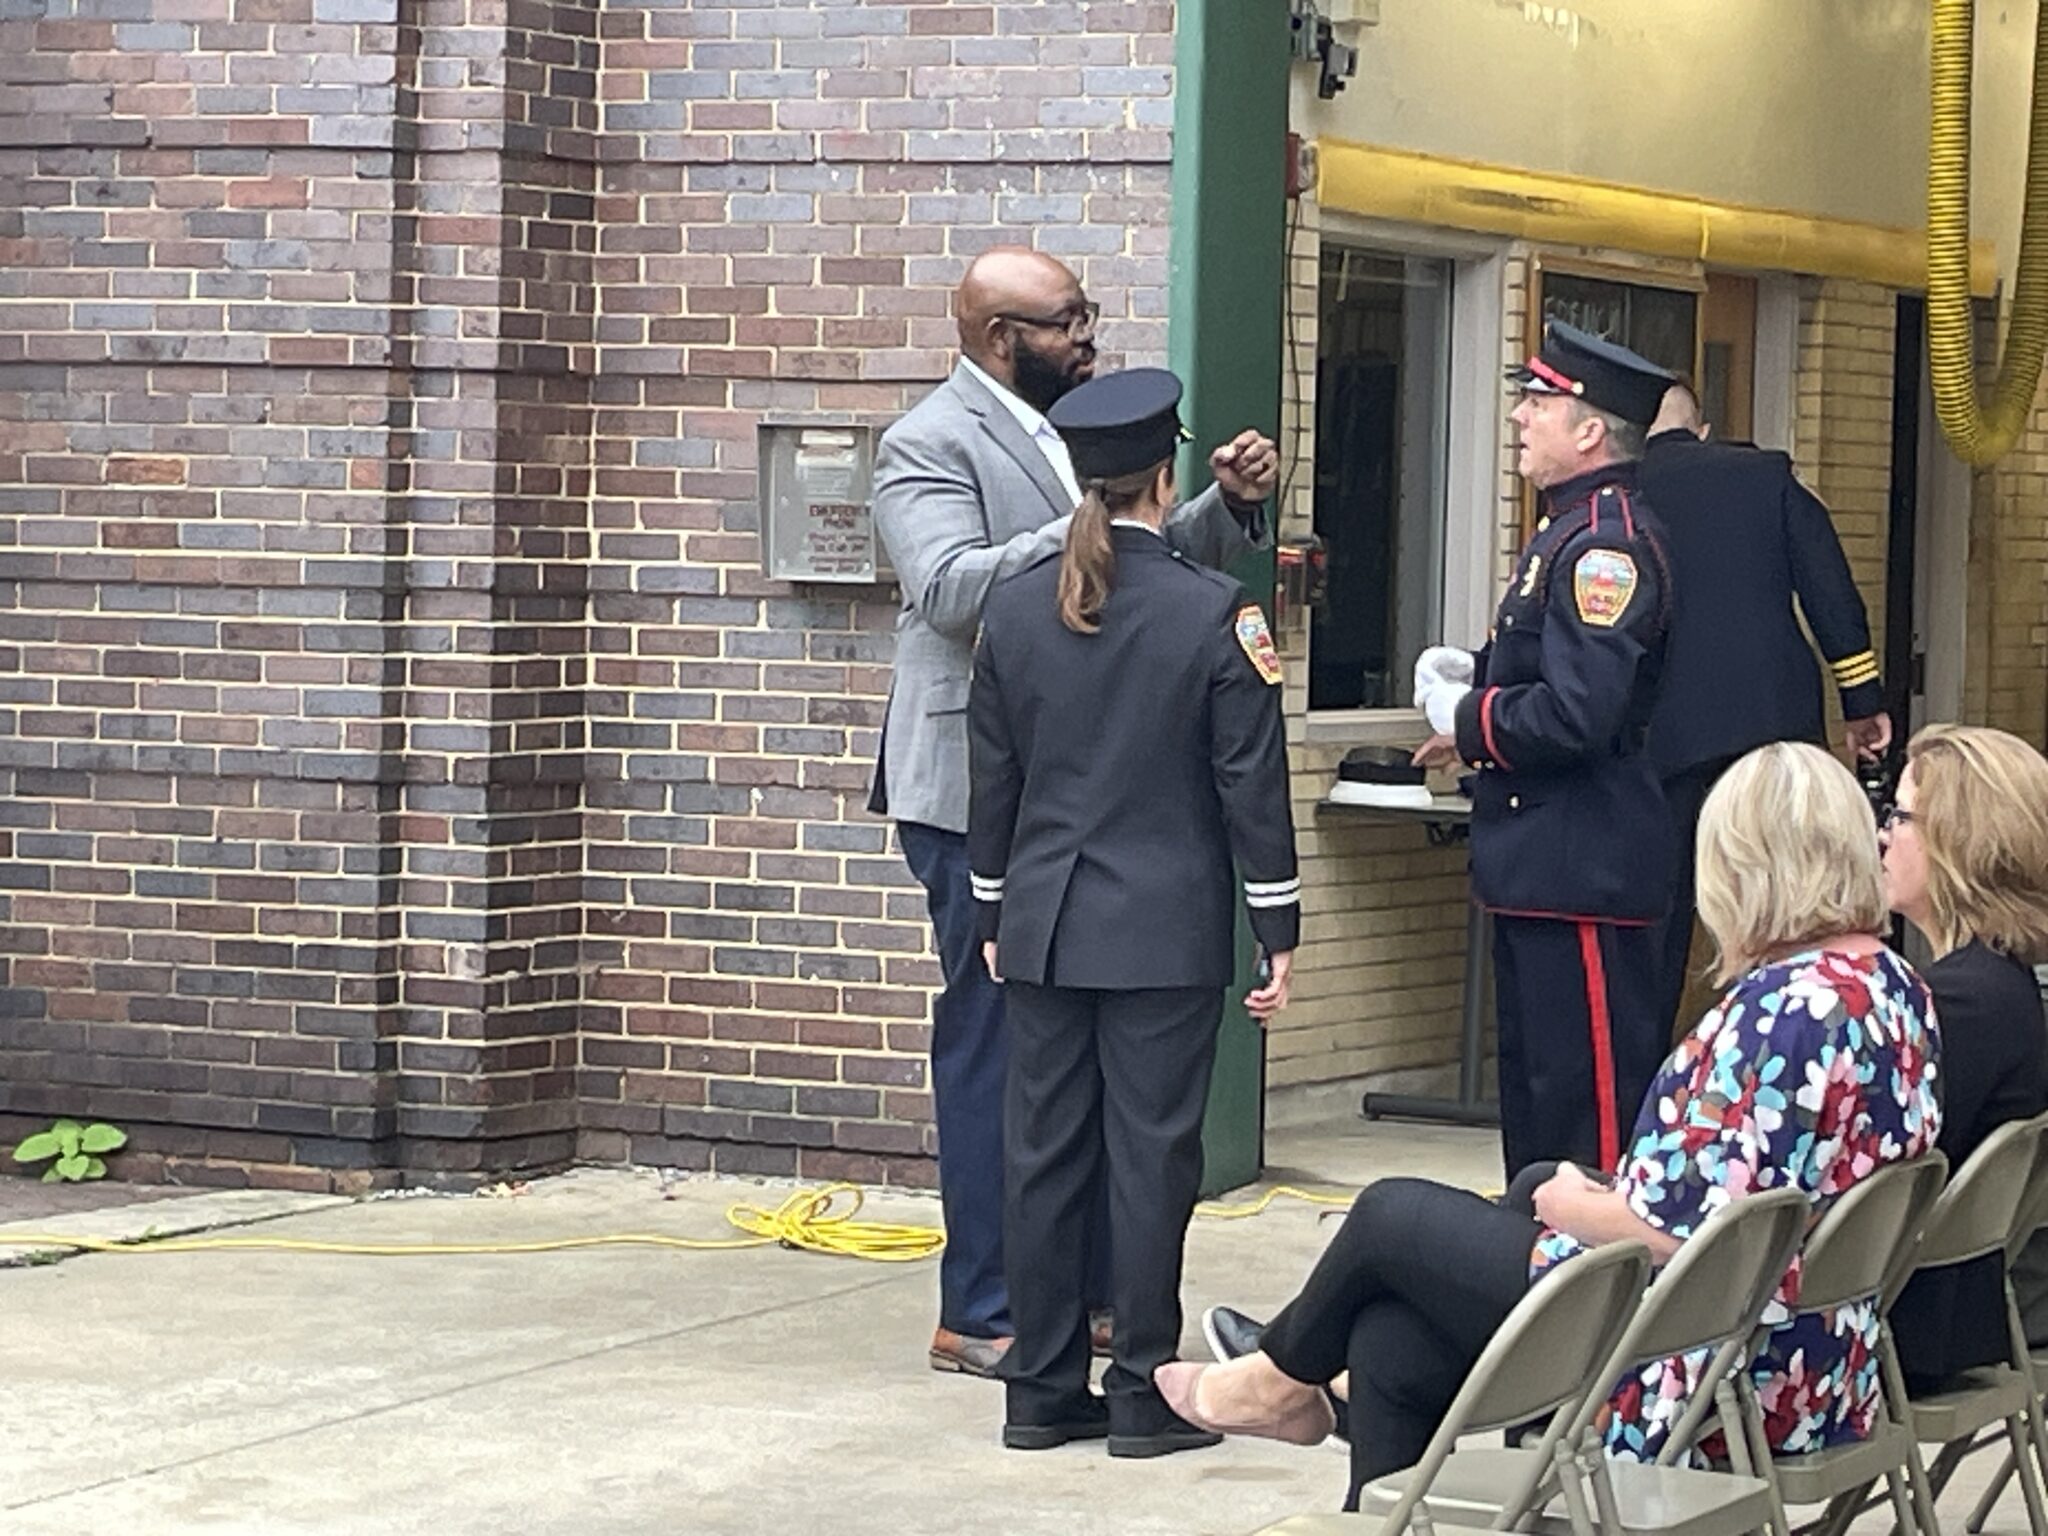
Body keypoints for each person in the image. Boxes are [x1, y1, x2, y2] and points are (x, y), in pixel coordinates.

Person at [1158, 741, 1942, 1507]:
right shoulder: (1888, 984)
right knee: (1392, 1344)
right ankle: (1323, 1403)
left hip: (1703, 1363)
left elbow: (1691, 1237)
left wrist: (1576, 1208)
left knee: (1391, 1215)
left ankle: (1274, 1379)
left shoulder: (1783, 1013)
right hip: (1814, 1360)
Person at [869, 247, 1279, 1377]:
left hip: (1082, 806)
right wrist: (1096, 510)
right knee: (1000, 1052)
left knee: (1095, 1077)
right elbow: (953, 592)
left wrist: (1214, 511)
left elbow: (1130, 578)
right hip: (975, 801)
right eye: (1068, 321)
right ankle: (986, 1308)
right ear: (1002, 338)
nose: (1089, 336)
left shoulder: (1062, 432)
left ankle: (1084, 1301)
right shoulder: (927, 444)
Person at [968, 367, 1300, 1458]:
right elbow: (1249, 785)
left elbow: (994, 782)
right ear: (1166, 476)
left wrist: (990, 907)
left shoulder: (1016, 610)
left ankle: (1037, 1385)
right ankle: (1140, 1386)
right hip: (1163, 927)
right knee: (1151, 1158)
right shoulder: (1214, 610)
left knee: (1043, 1153)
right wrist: (1279, 930)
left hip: (1048, 921)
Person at [1412, 321, 1677, 1178]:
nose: (1522, 417)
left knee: (1588, 1124)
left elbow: (1577, 715)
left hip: (1584, 870)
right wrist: (1477, 712)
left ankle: (1608, 1302)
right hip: (1544, 868)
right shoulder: (1564, 529)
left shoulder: (1605, 544)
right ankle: (1535, 1291)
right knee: (1535, 1116)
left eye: (1540, 402)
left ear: (1590, 429)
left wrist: (1468, 715)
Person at [1640, 382, 1891, 1042]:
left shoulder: (1623, 492)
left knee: (1661, 917)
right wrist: (1861, 700)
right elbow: (1831, 591)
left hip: (1664, 737)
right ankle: (1793, 1041)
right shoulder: (1765, 477)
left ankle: (1651, 1075)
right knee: (1786, 894)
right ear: (1704, 429)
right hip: (1770, 727)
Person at [1880, 725, 2048, 1391]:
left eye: (1900, 814)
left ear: (1961, 842)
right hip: (1951, 1311)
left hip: (1907, 1330)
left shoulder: (1960, 1003)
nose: (1885, 834)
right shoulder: (1999, 985)